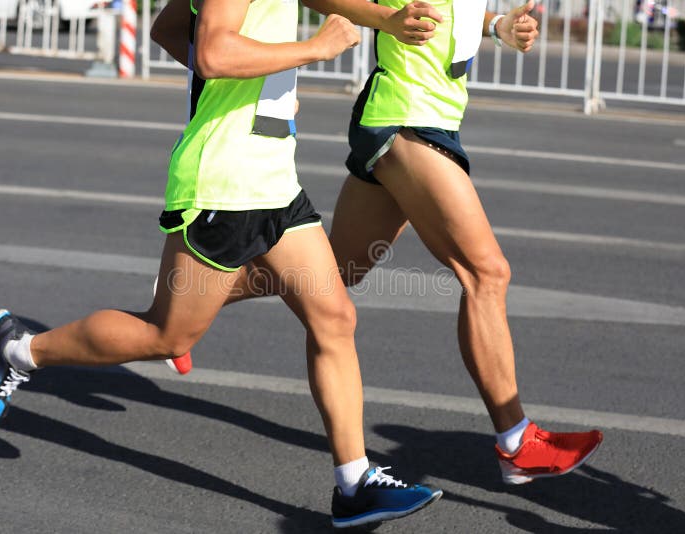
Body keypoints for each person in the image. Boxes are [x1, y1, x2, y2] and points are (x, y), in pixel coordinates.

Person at [0, 0, 446, 528]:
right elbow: (215, 52)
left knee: (334, 317)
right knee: (167, 336)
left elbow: (171, 27)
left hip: (274, 178)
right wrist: (313, 49)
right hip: (223, 180)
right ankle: (19, 349)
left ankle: (355, 484)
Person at [158, 0, 604, 486]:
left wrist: (497, 27)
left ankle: (188, 304)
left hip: (430, 117)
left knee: (340, 271)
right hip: (404, 121)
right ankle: (517, 442)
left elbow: (451, 9)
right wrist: (380, 22)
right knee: (486, 272)